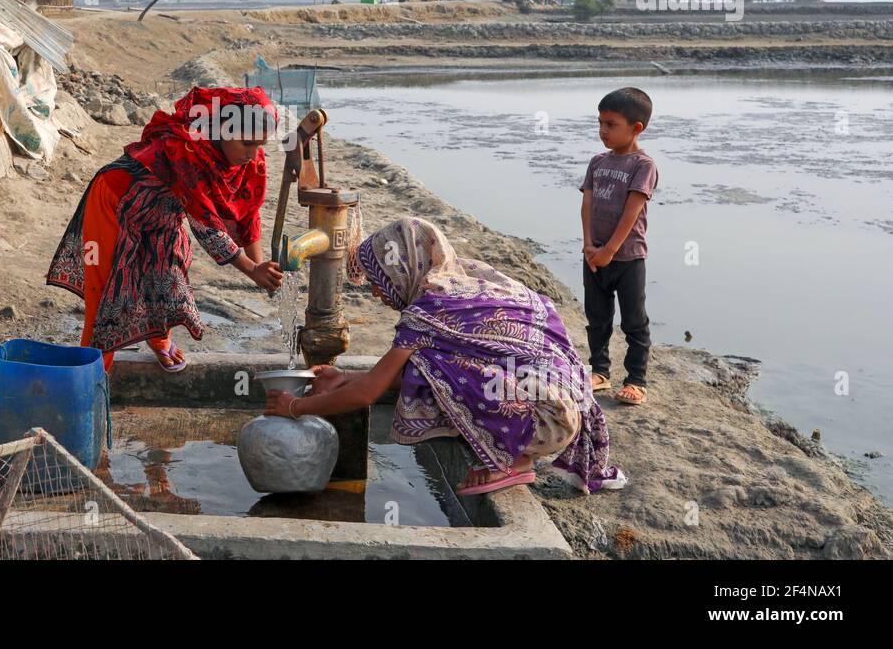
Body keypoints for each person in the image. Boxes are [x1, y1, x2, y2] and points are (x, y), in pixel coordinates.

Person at [264, 217, 626, 495]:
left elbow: (368, 394)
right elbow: (384, 377)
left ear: (402, 267)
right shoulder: (463, 279)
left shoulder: (428, 311)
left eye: (378, 280)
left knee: (435, 365)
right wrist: (345, 378)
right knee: (434, 361)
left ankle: (513, 460)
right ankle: (514, 444)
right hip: (567, 405)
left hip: (545, 422)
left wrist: (294, 409)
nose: (375, 292)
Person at [47, 86, 283, 372]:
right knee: (106, 289)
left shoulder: (249, 159)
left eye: (261, 144)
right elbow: (206, 225)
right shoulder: (188, 150)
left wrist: (260, 268)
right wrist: (251, 269)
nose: (254, 152)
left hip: (162, 211)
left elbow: (248, 212)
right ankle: (92, 376)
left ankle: (158, 340)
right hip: (115, 201)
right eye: (247, 142)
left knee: (169, 271)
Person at [580, 87, 659, 406]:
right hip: (594, 255)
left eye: (611, 124)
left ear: (636, 127)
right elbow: (587, 204)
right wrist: (589, 245)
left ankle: (636, 379)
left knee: (633, 321)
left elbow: (632, 212)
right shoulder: (597, 162)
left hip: (627, 258)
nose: (603, 131)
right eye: (600, 123)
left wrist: (610, 250)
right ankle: (600, 371)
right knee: (596, 317)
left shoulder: (643, 165)